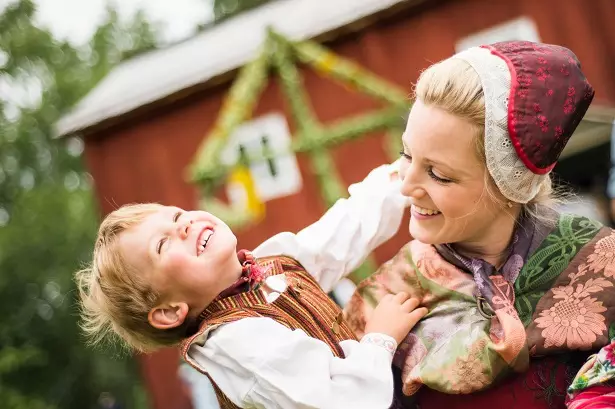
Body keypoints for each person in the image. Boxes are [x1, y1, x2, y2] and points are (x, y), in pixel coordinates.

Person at [343, 40, 615, 408]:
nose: (406, 185)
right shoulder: (385, 300)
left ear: (507, 186)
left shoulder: (601, 265)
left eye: (439, 174)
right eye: (406, 154)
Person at [76, 162, 428, 409]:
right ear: (169, 311)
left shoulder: (272, 264)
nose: (183, 226)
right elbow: (341, 402)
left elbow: (341, 233)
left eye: (177, 215)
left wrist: (404, 173)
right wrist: (380, 338)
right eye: (162, 245)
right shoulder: (235, 343)